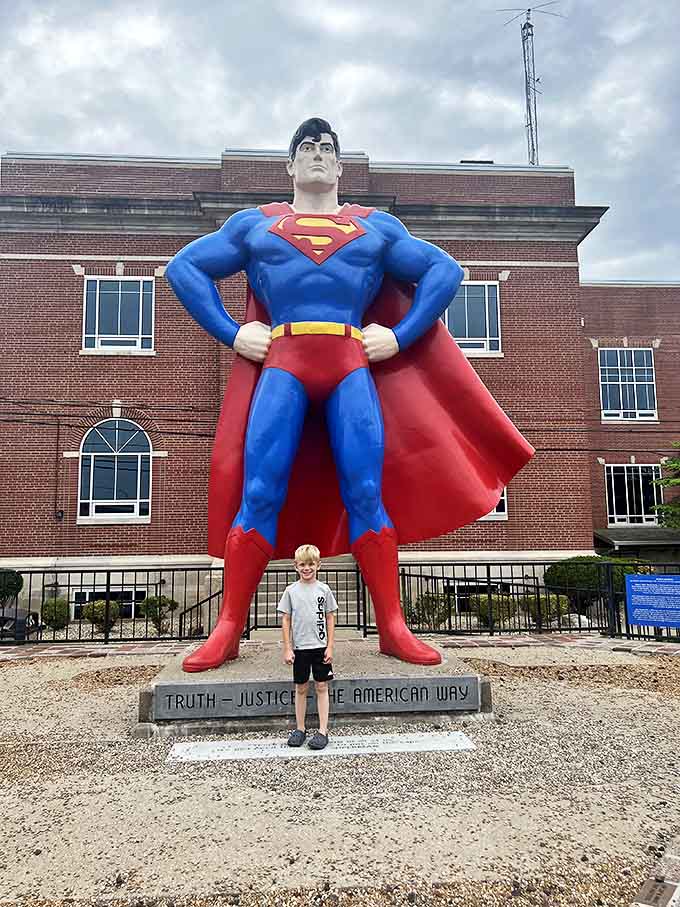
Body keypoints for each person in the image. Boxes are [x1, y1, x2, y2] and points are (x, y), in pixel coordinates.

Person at [166, 117, 533, 674]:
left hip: (348, 365)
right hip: (284, 363)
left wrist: (401, 335)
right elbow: (185, 267)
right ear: (290, 166)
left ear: (339, 166)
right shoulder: (255, 225)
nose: (316, 154)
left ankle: (392, 627)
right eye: (306, 148)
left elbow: (443, 270)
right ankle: (228, 630)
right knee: (259, 489)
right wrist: (231, 331)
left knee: (367, 490)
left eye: (326, 148)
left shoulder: (376, 228)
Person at [278, 543, 337, 750]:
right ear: (296, 566)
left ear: (318, 565)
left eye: (311, 564)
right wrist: (287, 647)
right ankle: (300, 728)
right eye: (302, 564)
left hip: (320, 647)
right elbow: (286, 620)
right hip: (300, 648)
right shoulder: (291, 591)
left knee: (322, 686)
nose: (307, 568)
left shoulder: (324, 590)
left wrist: (330, 646)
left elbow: (330, 617)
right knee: (301, 688)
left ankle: (322, 731)